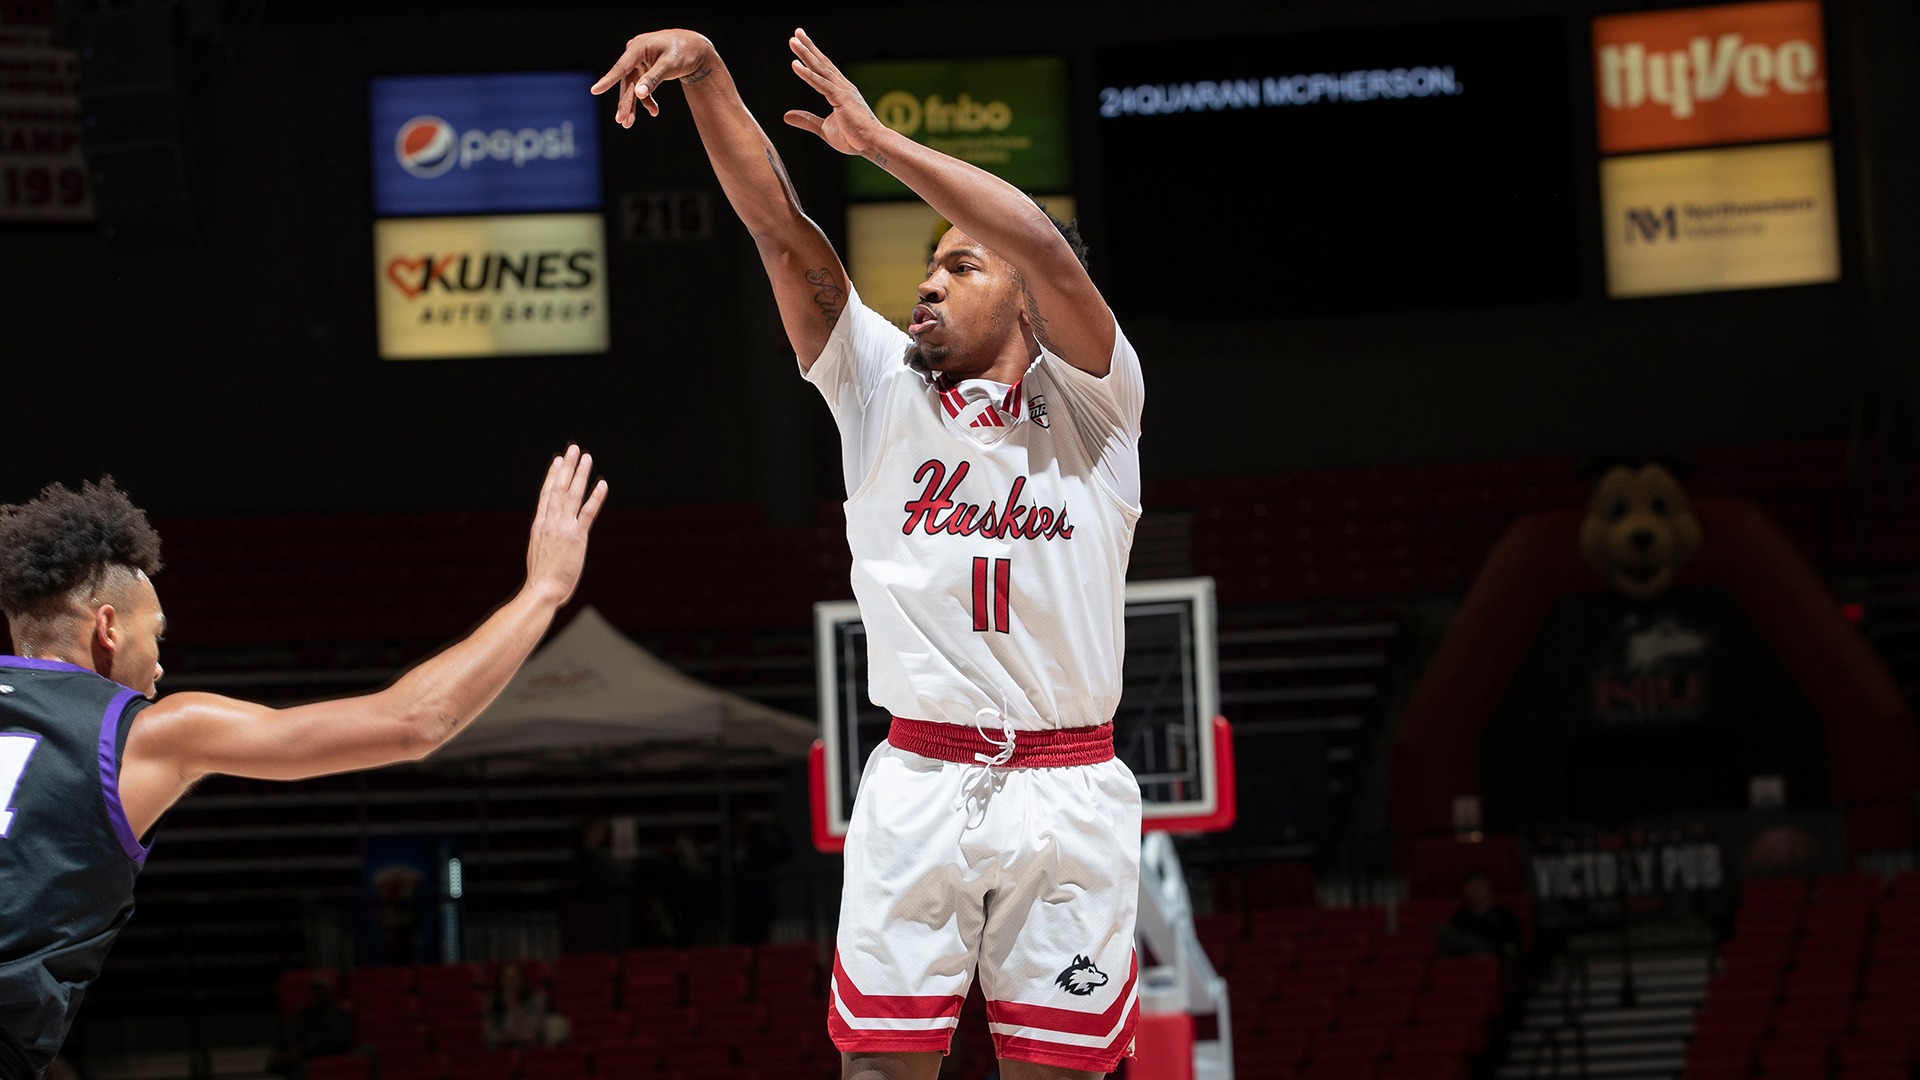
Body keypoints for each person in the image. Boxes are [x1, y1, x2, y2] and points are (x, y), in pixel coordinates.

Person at [594, 29, 1144, 1080]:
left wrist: (882, 144)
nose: (926, 283)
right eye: (929, 263)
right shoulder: (879, 386)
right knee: (877, 1071)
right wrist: (710, 73)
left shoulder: (1099, 410)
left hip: (1066, 786)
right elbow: (776, 225)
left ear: (1028, 293)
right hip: (922, 775)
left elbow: (1038, 237)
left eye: (960, 263)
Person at [0, 447, 607, 1080]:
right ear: (108, 629)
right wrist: (544, 592)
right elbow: (415, 721)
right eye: (156, 635)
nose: (157, 670)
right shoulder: (147, 733)